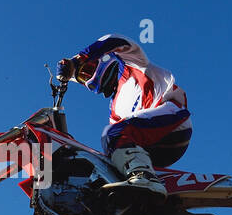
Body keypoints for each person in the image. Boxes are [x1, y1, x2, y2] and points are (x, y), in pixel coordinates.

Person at [58, 34, 192, 197]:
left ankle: (145, 177)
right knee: (110, 149)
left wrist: (77, 61)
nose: (88, 78)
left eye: (87, 70)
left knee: (113, 132)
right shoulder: (115, 110)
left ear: (102, 58)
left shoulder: (133, 63)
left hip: (173, 122)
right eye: (82, 77)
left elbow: (113, 40)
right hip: (151, 147)